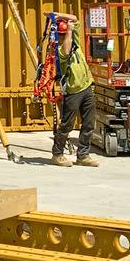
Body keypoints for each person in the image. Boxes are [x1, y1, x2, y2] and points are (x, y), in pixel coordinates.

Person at [50, 13, 100, 167]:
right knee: (66, 124)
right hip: (73, 91)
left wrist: (58, 15)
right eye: (64, 33)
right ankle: (57, 154)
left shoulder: (76, 44)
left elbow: (75, 18)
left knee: (89, 123)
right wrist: (69, 33)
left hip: (86, 87)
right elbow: (66, 50)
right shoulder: (59, 50)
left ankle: (83, 155)